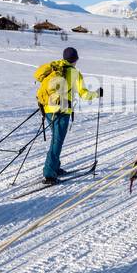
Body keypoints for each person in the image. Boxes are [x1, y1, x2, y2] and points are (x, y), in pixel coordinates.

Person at [34, 46, 101, 184]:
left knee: (55, 139)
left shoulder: (54, 68)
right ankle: (49, 174)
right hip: (61, 111)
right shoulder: (74, 73)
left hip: (47, 109)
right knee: (57, 142)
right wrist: (97, 94)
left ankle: (55, 167)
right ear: (75, 60)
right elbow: (84, 94)